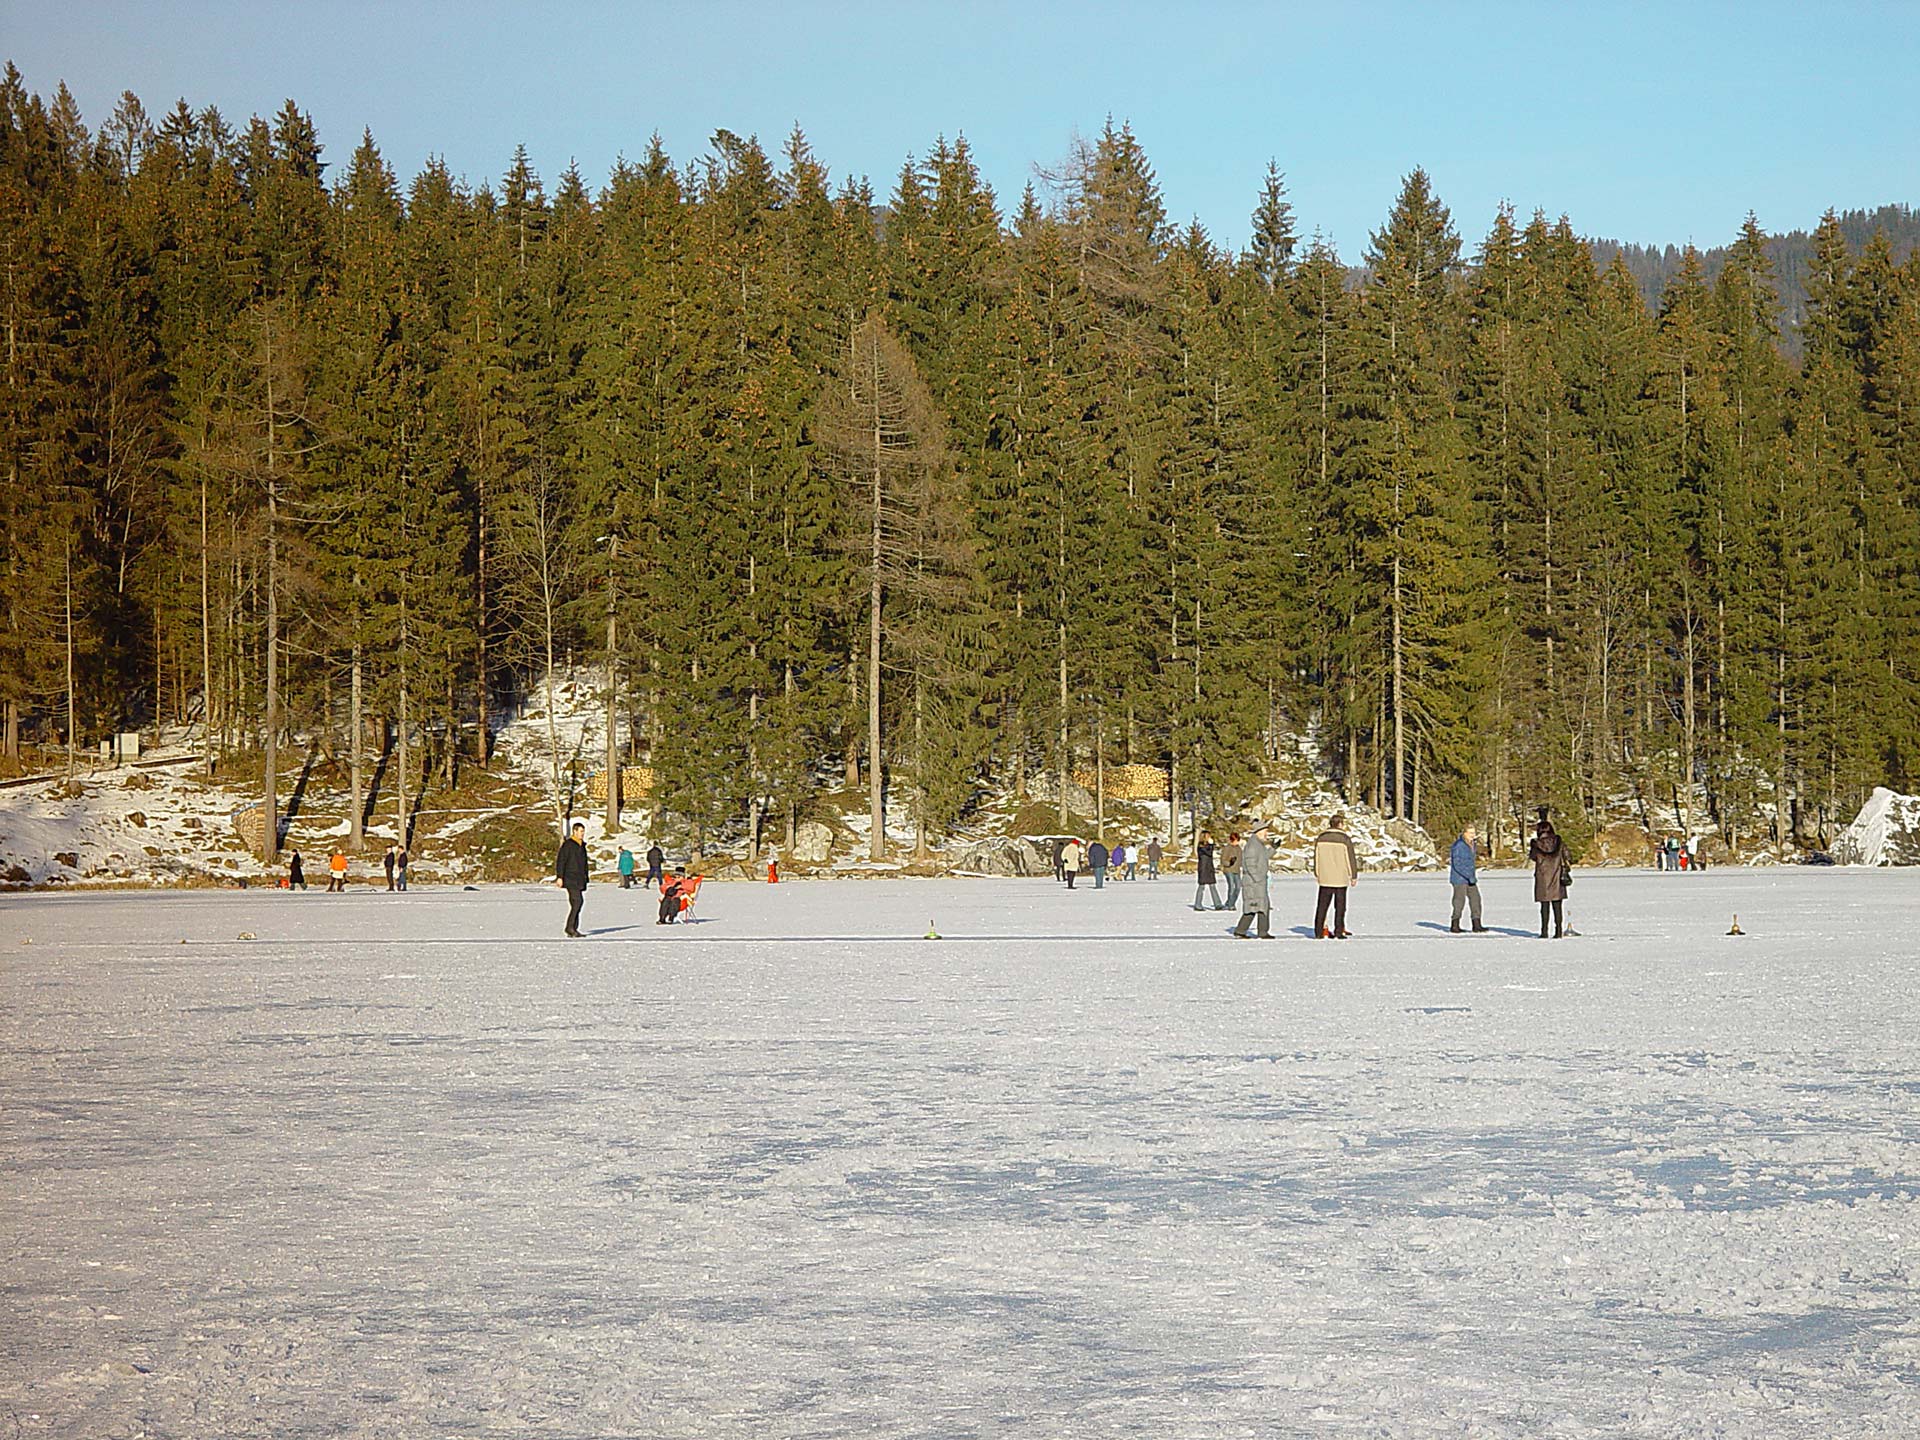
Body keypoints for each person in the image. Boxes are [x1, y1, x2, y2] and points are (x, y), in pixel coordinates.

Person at [1313, 815, 1359, 938]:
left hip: (1325, 877)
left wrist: (1317, 873)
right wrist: (1353, 875)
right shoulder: (1344, 838)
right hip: (1340, 877)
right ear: (1340, 824)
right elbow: (1350, 859)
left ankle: (1318, 931)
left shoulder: (1321, 838)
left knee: (1322, 906)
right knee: (1340, 907)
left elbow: (1316, 858)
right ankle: (1339, 931)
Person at [1232, 822, 1276, 938]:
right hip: (1253, 883)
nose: (1267, 834)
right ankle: (1246, 931)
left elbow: (1264, 856)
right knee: (1255, 907)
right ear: (1259, 831)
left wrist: (1273, 848)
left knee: (1261, 906)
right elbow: (1250, 864)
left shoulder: (1258, 844)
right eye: (1265, 831)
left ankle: (1253, 931)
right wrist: (1258, 879)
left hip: (1257, 882)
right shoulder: (1252, 845)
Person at [1529, 818, 1568, 938]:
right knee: (1557, 906)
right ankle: (1558, 931)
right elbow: (1567, 855)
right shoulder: (1559, 842)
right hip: (1557, 877)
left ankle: (1544, 931)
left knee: (1544, 907)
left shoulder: (1536, 843)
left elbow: (1533, 857)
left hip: (1543, 878)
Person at [555, 821, 590, 938]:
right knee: (577, 902)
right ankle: (570, 927)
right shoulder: (568, 845)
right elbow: (561, 861)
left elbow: (584, 864)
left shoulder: (582, 845)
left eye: (583, 831)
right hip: (570, 878)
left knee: (577, 903)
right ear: (575, 831)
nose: (582, 834)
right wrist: (559, 877)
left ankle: (573, 928)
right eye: (580, 831)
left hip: (579, 879)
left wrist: (586, 877)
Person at [1449, 825, 1486, 933]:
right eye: (1470, 833)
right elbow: (1457, 864)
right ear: (1464, 833)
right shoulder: (1459, 845)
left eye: (1474, 833)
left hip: (1471, 878)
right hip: (1459, 879)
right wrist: (1468, 876)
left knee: (1476, 900)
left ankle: (1477, 924)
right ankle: (1455, 924)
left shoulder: (1473, 844)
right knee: (1459, 902)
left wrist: (1472, 876)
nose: (1473, 835)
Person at [1192, 831, 1221, 911]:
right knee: (1201, 887)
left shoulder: (1207, 846)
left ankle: (1217, 904)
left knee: (1213, 886)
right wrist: (1211, 845)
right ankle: (1198, 904)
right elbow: (1208, 853)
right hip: (1203, 868)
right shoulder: (1201, 846)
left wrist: (1211, 845)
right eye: (1208, 836)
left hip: (1209, 868)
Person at [1220, 832, 1244, 913]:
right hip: (1229, 870)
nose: (1237, 842)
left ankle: (1230, 902)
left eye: (1238, 840)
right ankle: (1231, 905)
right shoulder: (1227, 848)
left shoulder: (1239, 848)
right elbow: (1223, 860)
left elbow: (1241, 859)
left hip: (1237, 870)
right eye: (1236, 840)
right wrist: (1229, 863)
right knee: (1231, 887)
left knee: (1238, 887)